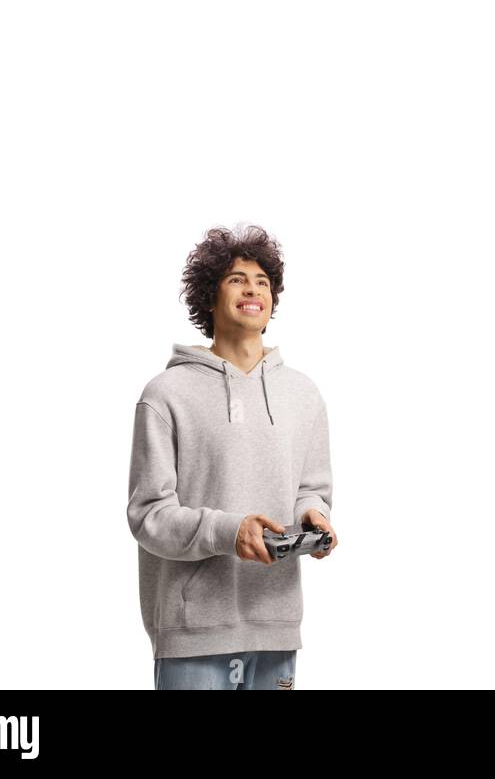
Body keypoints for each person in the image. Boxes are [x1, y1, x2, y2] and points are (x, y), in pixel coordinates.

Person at [127, 224, 337, 690]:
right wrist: (229, 531)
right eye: (237, 278)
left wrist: (313, 515)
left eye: (263, 281)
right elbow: (149, 516)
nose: (252, 289)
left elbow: (312, 487)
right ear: (209, 296)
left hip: (275, 623)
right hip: (193, 632)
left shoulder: (304, 394)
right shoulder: (165, 395)